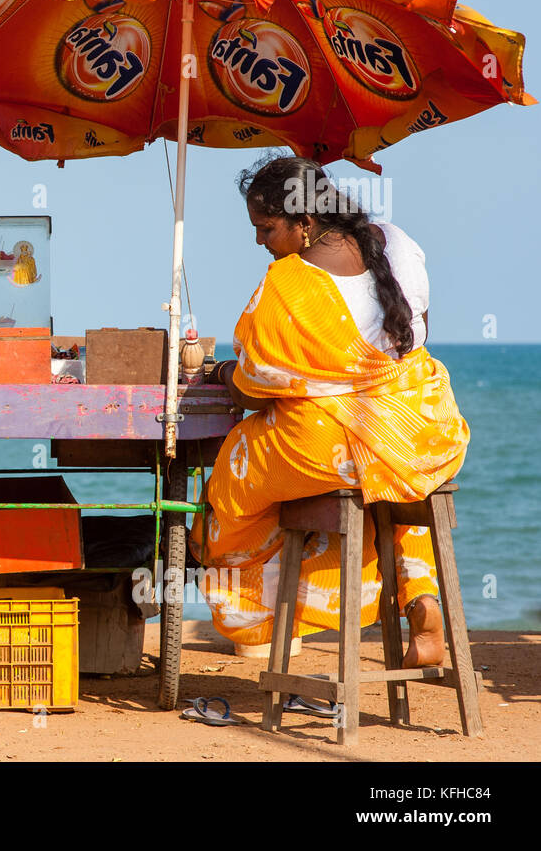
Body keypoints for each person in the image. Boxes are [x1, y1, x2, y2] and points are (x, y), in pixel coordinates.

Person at [191, 155, 468, 669]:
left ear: (305, 222)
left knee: (233, 477)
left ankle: (262, 618)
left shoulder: (288, 283)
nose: (259, 242)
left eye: (266, 228)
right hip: (424, 432)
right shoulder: (398, 242)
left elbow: (255, 388)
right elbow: (417, 334)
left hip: (331, 447)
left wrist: (227, 374)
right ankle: (420, 599)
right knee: (386, 484)